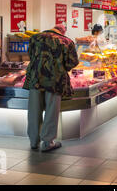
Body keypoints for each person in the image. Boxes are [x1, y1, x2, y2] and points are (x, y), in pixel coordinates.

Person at [24, 24, 78, 152]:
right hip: (55, 80)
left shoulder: (34, 38)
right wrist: (60, 67)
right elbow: (72, 62)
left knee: (34, 109)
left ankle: (33, 141)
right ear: (63, 31)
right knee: (51, 110)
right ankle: (48, 142)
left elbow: (30, 56)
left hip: (35, 78)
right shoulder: (67, 41)